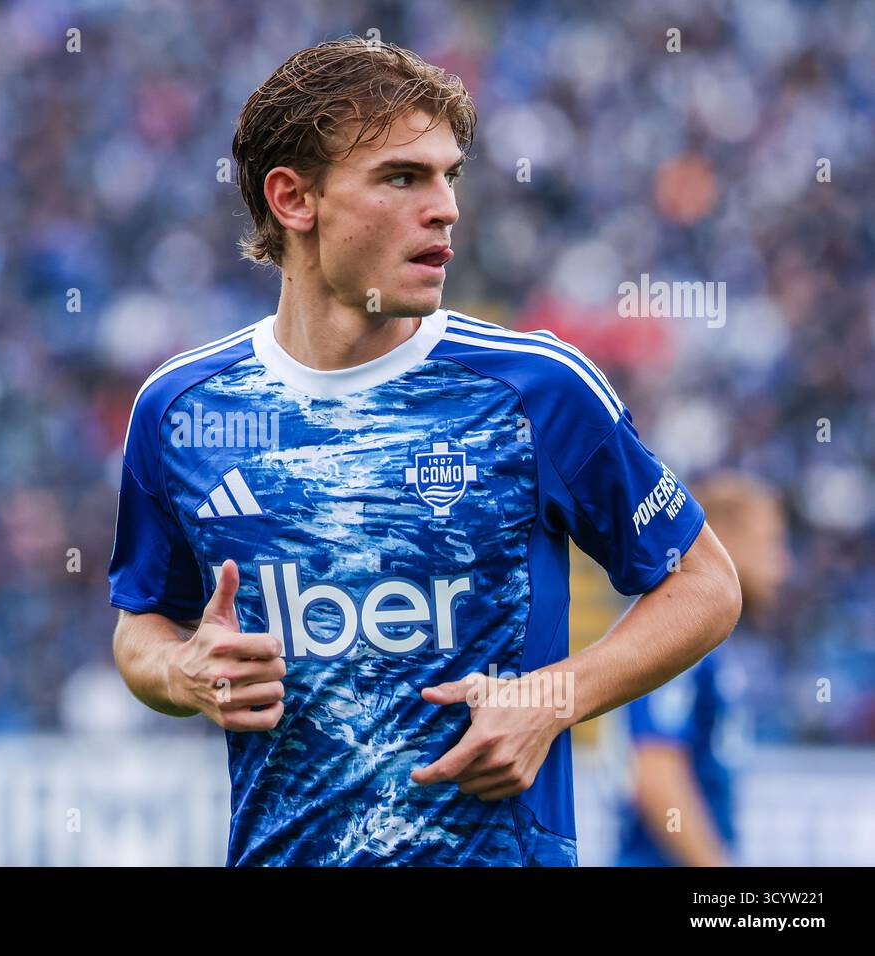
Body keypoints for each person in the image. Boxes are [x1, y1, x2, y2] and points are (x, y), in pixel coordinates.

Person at [107, 37, 741, 866]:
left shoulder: (536, 388)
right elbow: (141, 626)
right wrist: (182, 673)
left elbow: (705, 583)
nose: (444, 207)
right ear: (294, 199)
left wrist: (553, 698)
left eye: (450, 176)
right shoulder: (182, 409)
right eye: (403, 177)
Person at [615, 472, 789, 866]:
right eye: (771, 544)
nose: (782, 565)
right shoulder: (681, 629)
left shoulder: (713, 640)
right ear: (726, 538)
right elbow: (656, 771)